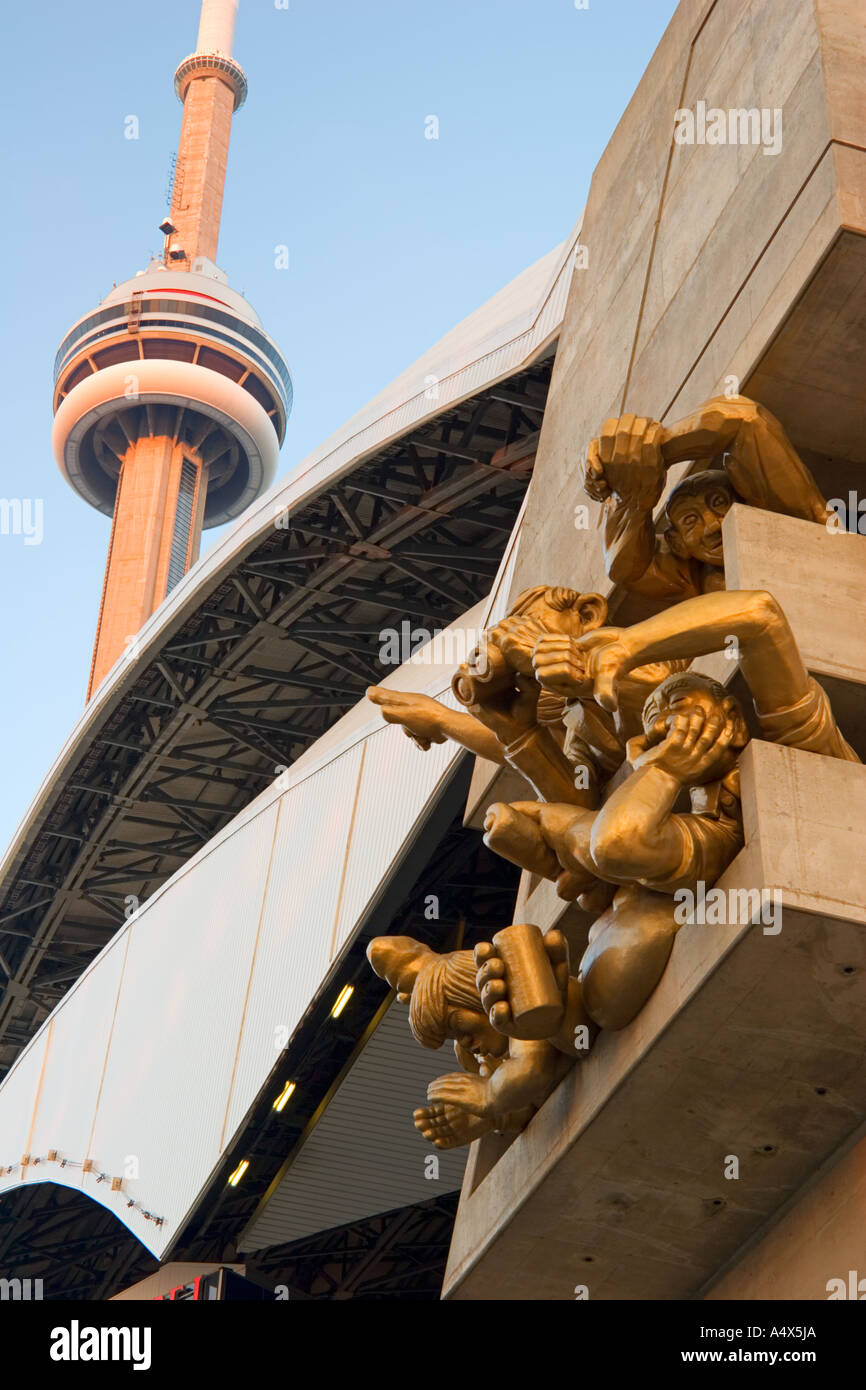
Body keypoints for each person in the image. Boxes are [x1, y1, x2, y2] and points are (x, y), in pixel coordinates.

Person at [581, 396, 831, 600]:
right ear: (677, 544)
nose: (713, 525)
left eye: (720, 504)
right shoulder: (696, 577)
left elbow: (745, 419)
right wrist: (630, 495)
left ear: (747, 501)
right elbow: (626, 570)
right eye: (691, 521)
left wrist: (656, 451)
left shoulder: (793, 522)